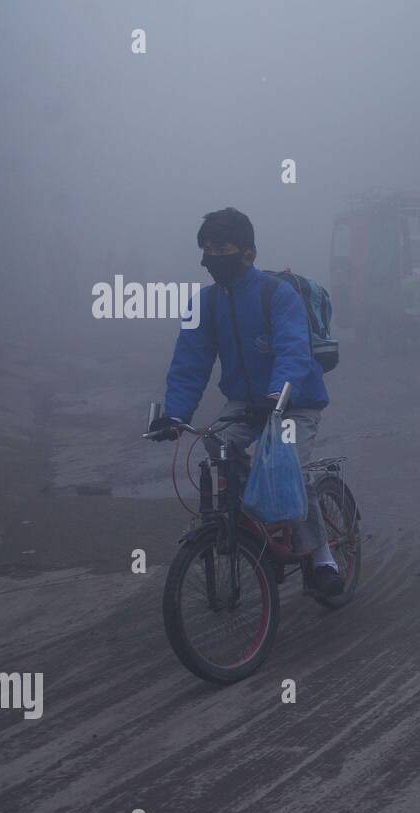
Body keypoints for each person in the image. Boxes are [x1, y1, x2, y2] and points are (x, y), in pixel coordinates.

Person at [147, 207, 344, 597]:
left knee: (289, 468)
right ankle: (245, 527)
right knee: (216, 446)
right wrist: (173, 414)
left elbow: (293, 351)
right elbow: (190, 362)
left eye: (221, 247)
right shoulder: (203, 304)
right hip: (244, 401)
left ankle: (322, 556)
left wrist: (277, 395)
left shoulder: (278, 295)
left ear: (249, 253)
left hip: (294, 401)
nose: (211, 257)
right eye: (206, 248)